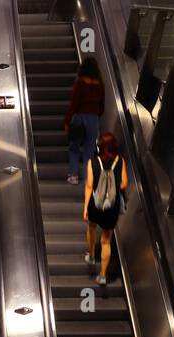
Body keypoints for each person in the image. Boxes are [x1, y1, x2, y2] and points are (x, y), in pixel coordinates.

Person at [83, 132, 128, 285]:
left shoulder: (92, 162)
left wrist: (85, 208)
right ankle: (102, 275)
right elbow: (124, 184)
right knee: (106, 241)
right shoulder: (120, 161)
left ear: (99, 146)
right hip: (111, 207)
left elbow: (89, 186)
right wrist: (111, 188)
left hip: (95, 204)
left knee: (91, 228)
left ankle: (91, 255)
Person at [65, 57, 104, 185]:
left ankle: (73, 175)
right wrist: (97, 116)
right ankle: (88, 177)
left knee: (74, 147)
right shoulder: (100, 84)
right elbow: (102, 105)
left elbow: (74, 104)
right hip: (94, 119)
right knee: (89, 148)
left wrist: (68, 120)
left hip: (80, 117)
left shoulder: (80, 82)